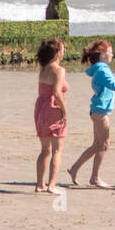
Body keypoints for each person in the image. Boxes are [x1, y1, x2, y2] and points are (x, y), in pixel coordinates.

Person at [66, 41, 115, 188]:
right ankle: (94, 178)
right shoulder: (102, 70)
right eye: (110, 51)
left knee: (97, 145)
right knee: (103, 145)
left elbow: (113, 83)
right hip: (100, 111)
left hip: (98, 110)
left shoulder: (101, 69)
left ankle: (74, 169)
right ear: (102, 54)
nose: (112, 54)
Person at [34, 38, 69, 193]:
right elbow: (56, 92)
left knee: (44, 150)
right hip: (53, 108)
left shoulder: (43, 69)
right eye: (62, 49)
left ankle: (40, 184)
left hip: (40, 108)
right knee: (57, 150)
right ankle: (52, 185)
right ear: (56, 53)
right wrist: (65, 110)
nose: (64, 52)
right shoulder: (59, 70)